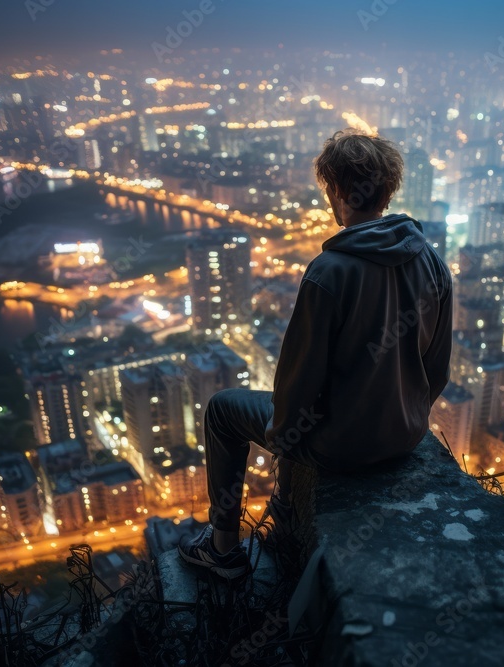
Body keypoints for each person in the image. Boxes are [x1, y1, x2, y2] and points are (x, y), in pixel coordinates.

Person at [178, 128, 453, 579]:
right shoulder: (433, 262)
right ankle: (279, 512)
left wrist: (284, 443)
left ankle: (222, 548)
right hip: (406, 435)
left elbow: (297, 385)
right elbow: (437, 369)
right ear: (388, 191)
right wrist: (405, 417)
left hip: (342, 445)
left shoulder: (329, 272)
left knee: (222, 409)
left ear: (337, 191)